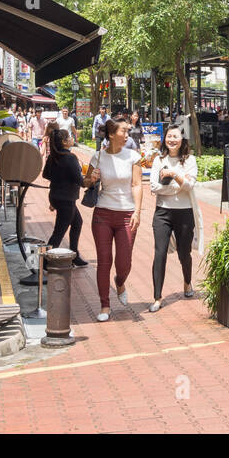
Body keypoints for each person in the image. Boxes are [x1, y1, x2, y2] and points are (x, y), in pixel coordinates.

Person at [91, 116, 142, 320]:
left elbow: (137, 185)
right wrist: (90, 178)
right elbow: (86, 182)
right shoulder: (98, 157)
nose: (127, 135)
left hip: (127, 215)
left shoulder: (133, 156)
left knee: (124, 263)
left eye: (128, 131)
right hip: (102, 213)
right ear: (112, 134)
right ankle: (104, 305)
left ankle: (119, 282)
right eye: (124, 131)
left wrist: (137, 211)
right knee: (104, 260)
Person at [147, 125, 200, 313]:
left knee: (184, 253)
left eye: (175, 137)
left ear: (182, 139)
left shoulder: (190, 160)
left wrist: (172, 175)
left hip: (184, 212)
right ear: (165, 139)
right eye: (169, 136)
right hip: (162, 212)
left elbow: (190, 186)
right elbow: (154, 187)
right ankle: (157, 297)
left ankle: (187, 282)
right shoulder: (158, 160)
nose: (172, 140)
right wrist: (178, 185)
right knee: (159, 253)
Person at [42, 128, 89, 269]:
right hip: (66, 199)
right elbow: (79, 180)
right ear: (64, 142)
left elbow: (45, 174)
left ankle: (74, 255)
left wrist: (59, 178)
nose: (71, 138)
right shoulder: (70, 158)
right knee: (59, 232)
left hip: (56, 196)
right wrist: (90, 179)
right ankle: (45, 261)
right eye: (69, 137)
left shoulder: (54, 157)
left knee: (77, 222)